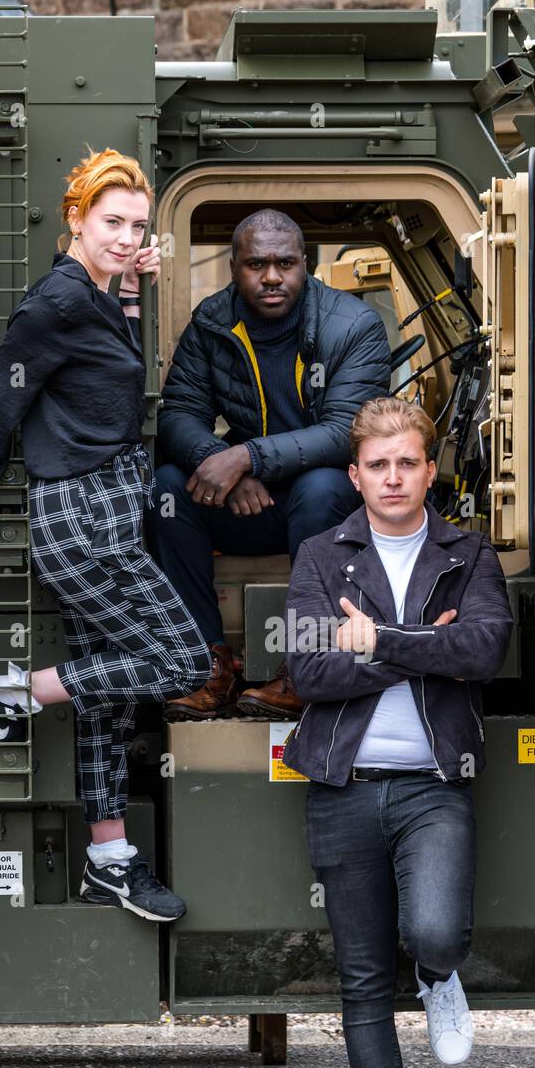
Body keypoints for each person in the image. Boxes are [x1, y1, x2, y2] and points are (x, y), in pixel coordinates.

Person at [0, 148, 212, 923]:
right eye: (111, 223)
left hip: (109, 506)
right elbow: (3, 393)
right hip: (86, 520)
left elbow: (107, 363)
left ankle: (109, 858)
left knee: (109, 693)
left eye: (137, 225)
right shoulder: (56, 301)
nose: (128, 237)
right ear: (74, 220)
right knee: (181, 657)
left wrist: (133, 283)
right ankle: (10, 695)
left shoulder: (97, 290)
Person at [282, 396, 513, 1068]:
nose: (392, 477)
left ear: (428, 469)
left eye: (407, 462)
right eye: (377, 465)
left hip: (432, 786)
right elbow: (307, 671)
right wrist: (418, 647)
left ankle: (440, 975)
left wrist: (376, 641)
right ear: (355, 474)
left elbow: (483, 648)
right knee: (362, 986)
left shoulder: (467, 551)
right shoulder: (320, 553)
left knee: (437, 932)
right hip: (344, 786)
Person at [147, 208, 392, 721]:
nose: (273, 277)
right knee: (169, 486)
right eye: (257, 264)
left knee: (324, 486)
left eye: (286, 263)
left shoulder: (352, 325)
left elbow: (348, 432)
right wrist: (220, 463)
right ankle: (206, 665)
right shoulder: (212, 322)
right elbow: (177, 417)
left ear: (306, 263)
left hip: (324, 511)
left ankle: (306, 666)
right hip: (251, 504)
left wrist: (246, 457)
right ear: (234, 266)